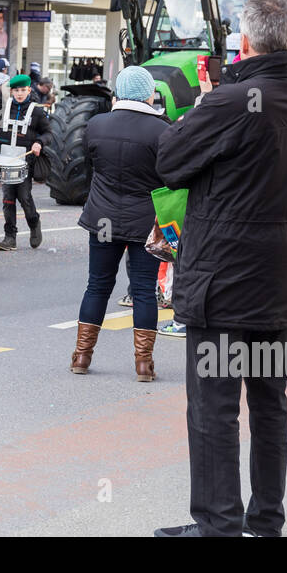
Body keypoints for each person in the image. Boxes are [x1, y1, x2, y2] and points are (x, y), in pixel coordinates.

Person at [154, 0, 287, 538]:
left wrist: (205, 103)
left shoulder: (230, 99)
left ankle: (217, 524)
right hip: (278, 281)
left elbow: (170, 162)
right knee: (269, 405)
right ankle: (264, 520)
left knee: (213, 408)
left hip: (223, 281)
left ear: (243, 42)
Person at [70, 66, 168, 380]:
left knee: (97, 285)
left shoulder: (97, 125)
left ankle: (81, 357)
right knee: (143, 291)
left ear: (118, 92)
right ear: (149, 93)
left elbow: (88, 165)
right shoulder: (161, 130)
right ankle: (143, 364)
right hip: (144, 221)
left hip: (102, 218)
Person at [0, 73, 47, 251]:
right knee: (8, 199)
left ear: (29, 90)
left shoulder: (36, 111)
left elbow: (48, 133)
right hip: (6, 160)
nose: (19, 93)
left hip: (24, 161)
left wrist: (39, 142)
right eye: (16, 90)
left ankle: (34, 223)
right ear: (12, 91)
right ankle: (9, 237)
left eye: (23, 90)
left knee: (25, 198)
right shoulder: (6, 109)